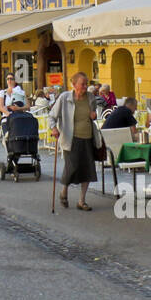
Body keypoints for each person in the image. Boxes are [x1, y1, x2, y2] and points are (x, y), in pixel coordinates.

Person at [50, 73, 105, 211]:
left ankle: (82, 201)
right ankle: (64, 191)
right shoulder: (65, 98)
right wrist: (54, 128)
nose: (85, 87)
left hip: (88, 137)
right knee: (72, 167)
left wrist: (94, 115)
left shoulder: (91, 98)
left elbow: (93, 114)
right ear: (73, 85)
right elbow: (52, 116)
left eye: (86, 84)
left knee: (88, 169)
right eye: (82, 84)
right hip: (71, 138)